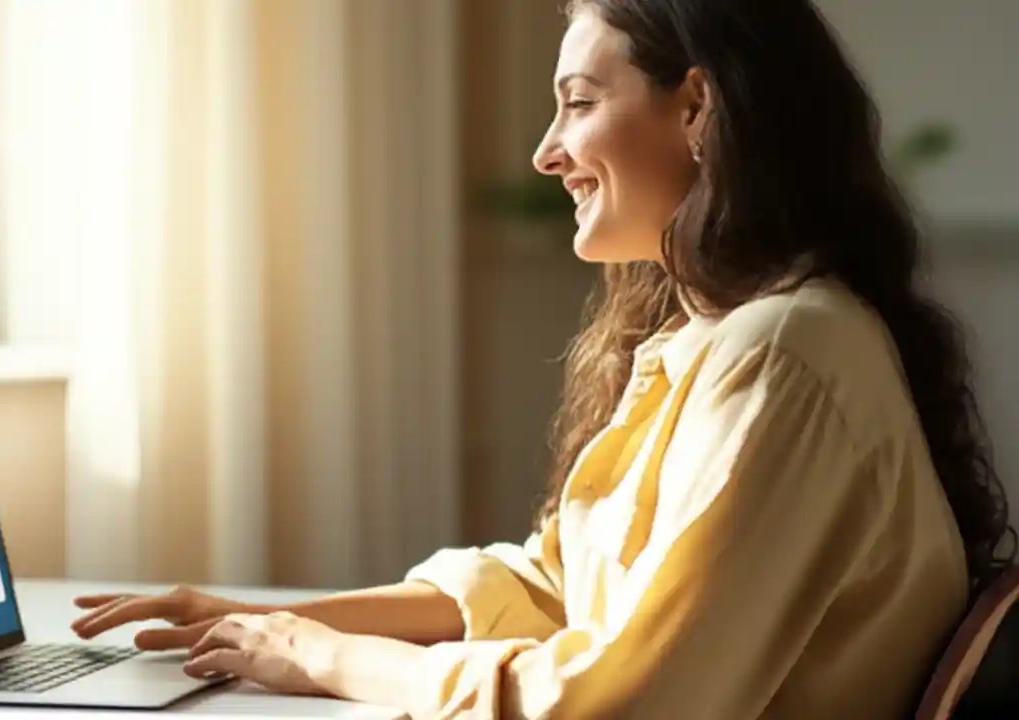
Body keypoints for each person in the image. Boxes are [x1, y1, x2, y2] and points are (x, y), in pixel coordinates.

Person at [71, 1, 1015, 717]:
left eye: (579, 103)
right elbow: (552, 586)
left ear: (696, 107)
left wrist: (326, 659)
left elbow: (623, 703)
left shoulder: (784, 352)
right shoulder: (719, 338)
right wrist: (262, 621)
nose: (546, 153)